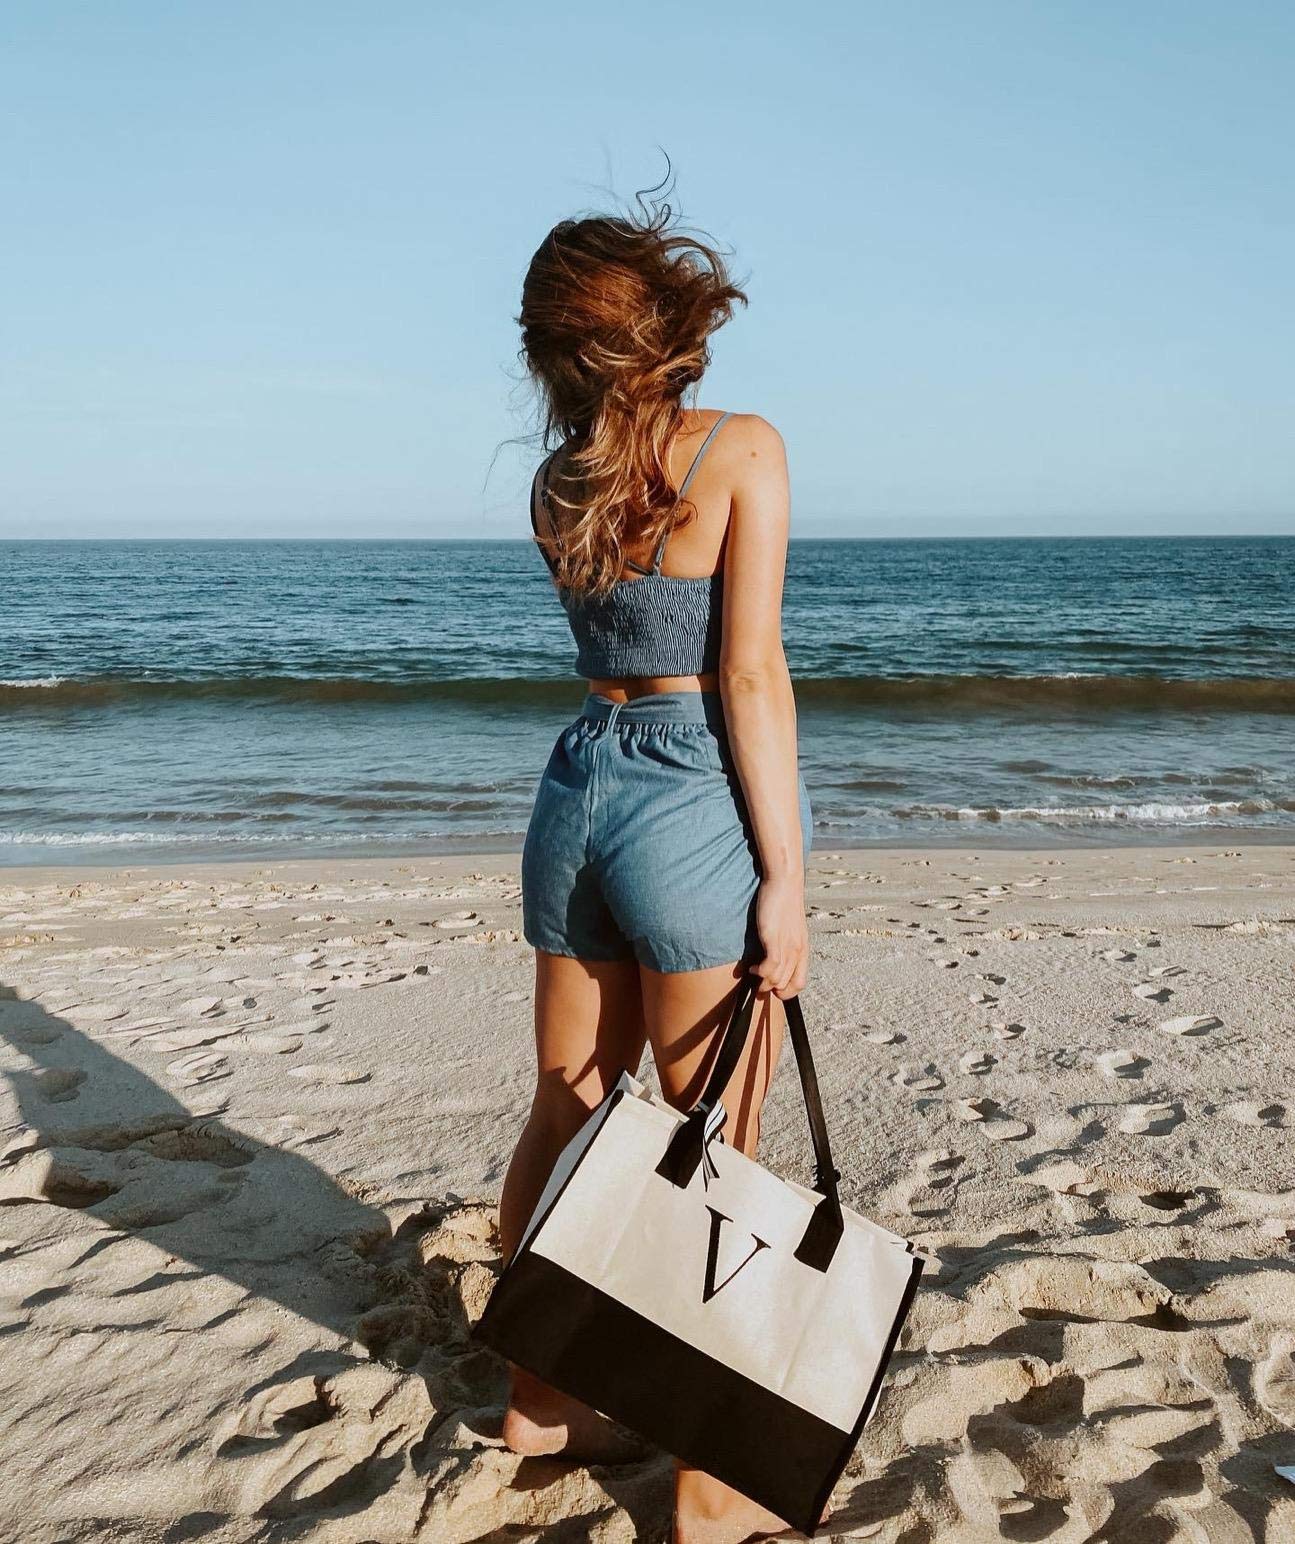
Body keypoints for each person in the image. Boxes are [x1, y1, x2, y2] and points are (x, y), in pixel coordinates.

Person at [497, 202, 815, 1544]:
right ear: (666, 324)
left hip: (577, 786)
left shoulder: (554, 481)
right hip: (687, 795)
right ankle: (704, 1477)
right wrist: (787, 881)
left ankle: (540, 1400)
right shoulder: (739, 450)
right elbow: (746, 674)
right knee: (719, 1146)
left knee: (566, 1098)